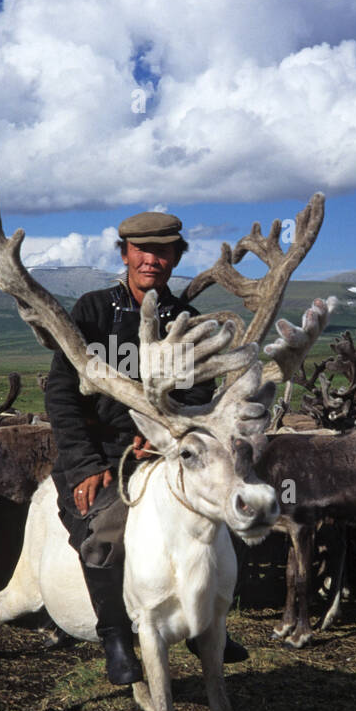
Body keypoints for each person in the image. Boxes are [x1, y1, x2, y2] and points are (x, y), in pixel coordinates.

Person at [44, 210, 248, 684]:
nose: (151, 260)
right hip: (102, 456)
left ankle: (205, 626)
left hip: (166, 450)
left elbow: (199, 393)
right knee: (105, 537)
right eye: (141, 250)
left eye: (162, 251)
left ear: (176, 257)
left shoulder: (188, 321)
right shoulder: (92, 312)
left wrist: (166, 429)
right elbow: (62, 391)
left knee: (223, 520)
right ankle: (115, 633)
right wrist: (84, 464)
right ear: (125, 254)